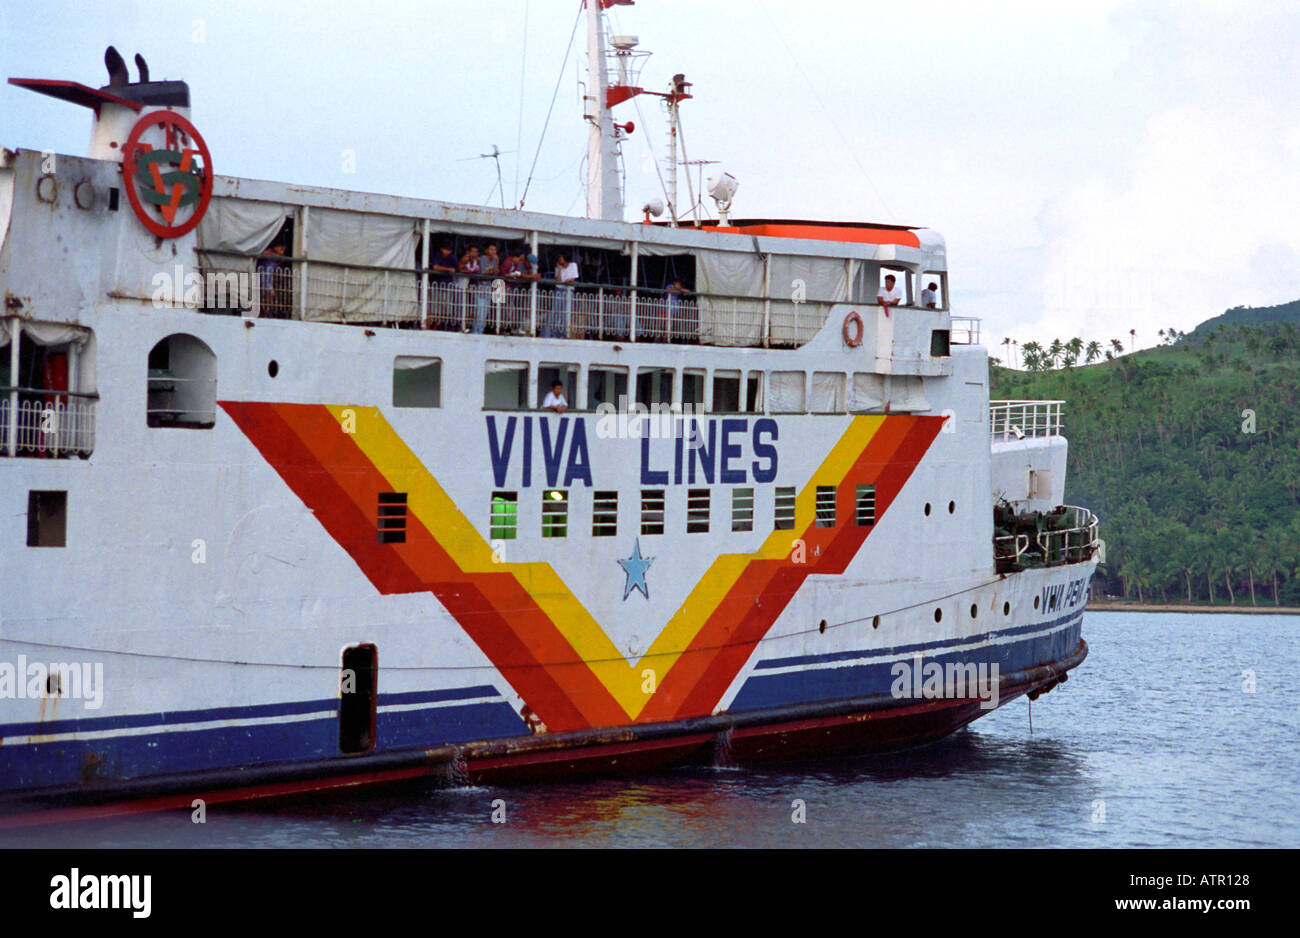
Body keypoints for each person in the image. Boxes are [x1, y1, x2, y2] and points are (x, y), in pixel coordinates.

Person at [256, 243, 290, 318]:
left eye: (283, 248)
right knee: (266, 294)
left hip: (270, 279)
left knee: (269, 295)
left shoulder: (278, 258)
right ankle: (264, 313)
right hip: (264, 278)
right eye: (280, 247)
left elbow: (280, 258)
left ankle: (265, 312)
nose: (282, 249)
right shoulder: (268, 252)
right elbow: (261, 253)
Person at [429, 244, 458, 327]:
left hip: (447, 285)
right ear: (442, 249)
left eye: (448, 250)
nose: (446, 252)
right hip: (436, 284)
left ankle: (441, 325)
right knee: (434, 305)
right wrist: (447, 269)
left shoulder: (453, 258)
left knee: (445, 307)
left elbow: (455, 269)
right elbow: (435, 267)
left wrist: (443, 269)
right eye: (445, 249)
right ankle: (432, 325)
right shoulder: (437, 255)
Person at [459, 245, 482, 332]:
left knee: (471, 306)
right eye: (473, 251)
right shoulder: (465, 259)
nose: (474, 254)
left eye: (476, 252)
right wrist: (470, 271)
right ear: (468, 252)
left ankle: (469, 326)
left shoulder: (478, 260)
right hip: (461, 285)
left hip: (471, 285)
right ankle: (461, 326)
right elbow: (460, 269)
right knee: (461, 306)